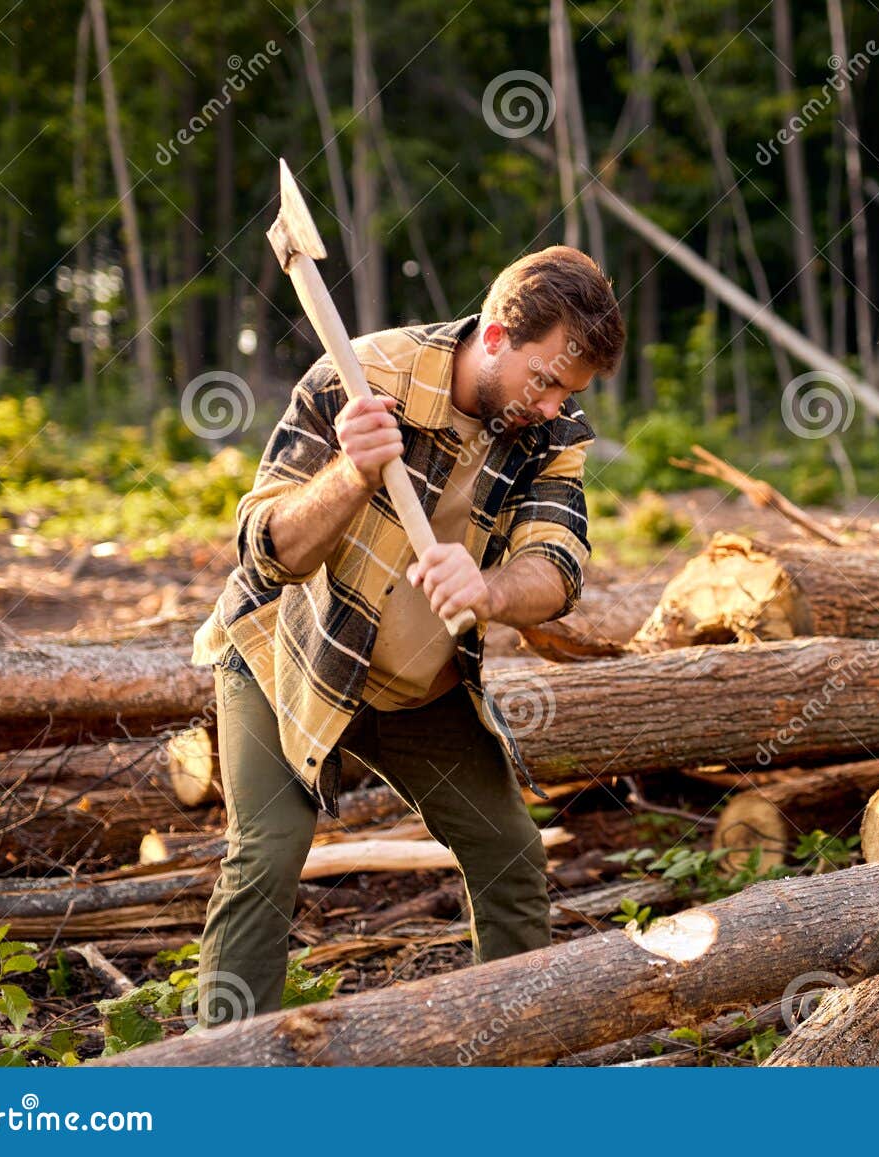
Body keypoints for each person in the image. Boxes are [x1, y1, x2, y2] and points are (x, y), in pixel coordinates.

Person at [189, 245, 625, 1026]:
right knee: (268, 854)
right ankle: (223, 1073)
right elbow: (267, 546)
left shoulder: (553, 435)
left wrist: (489, 587)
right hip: (292, 657)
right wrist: (352, 475)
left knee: (511, 853)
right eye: (548, 380)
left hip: (419, 683)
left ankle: (512, 1056)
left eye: (570, 390)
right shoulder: (359, 377)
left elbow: (559, 566)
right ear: (494, 336)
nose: (557, 403)